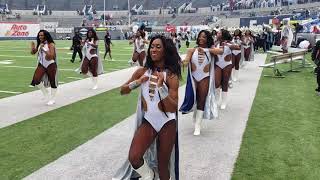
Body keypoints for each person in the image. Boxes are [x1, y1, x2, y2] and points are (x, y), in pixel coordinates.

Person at [113, 35, 181, 180]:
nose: (153, 50)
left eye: (158, 47)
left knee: (163, 165)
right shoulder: (142, 71)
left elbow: (172, 107)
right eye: (152, 46)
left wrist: (162, 87)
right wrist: (136, 82)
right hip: (149, 120)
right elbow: (122, 90)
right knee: (134, 157)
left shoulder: (171, 76)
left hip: (167, 122)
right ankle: (149, 175)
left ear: (165, 51)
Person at [180, 30, 223, 135]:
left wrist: (206, 50)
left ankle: (198, 125)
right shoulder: (191, 50)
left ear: (207, 39)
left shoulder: (211, 50)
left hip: (205, 78)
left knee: (202, 100)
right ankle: (195, 113)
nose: (201, 39)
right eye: (200, 36)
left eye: (204, 37)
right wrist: (182, 62)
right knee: (192, 97)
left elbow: (220, 51)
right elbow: (186, 62)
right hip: (194, 77)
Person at [30, 30, 58, 105]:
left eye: (42, 35)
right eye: (39, 35)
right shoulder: (40, 43)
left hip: (51, 64)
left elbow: (51, 56)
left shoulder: (51, 44)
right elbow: (33, 52)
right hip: (41, 64)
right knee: (36, 80)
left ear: (46, 36)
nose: (40, 37)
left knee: (53, 82)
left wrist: (44, 49)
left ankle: (52, 99)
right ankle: (46, 93)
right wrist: (32, 46)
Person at [214, 29, 240, 109]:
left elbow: (238, 47)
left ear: (223, 35)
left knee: (225, 83)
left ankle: (224, 102)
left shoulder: (229, 42)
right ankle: (216, 100)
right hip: (217, 64)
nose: (217, 34)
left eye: (219, 33)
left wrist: (228, 45)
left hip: (226, 65)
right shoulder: (215, 42)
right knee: (217, 82)